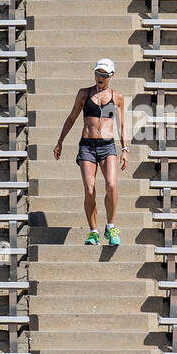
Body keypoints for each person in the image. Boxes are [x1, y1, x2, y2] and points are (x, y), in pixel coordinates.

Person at [52, 57, 129, 246]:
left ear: (111, 76)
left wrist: (125, 148)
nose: (99, 77)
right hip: (87, 145)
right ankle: (93, 231)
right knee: (89, 189)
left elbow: (121, 125)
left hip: (107, 145)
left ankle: (110, 227)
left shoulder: (116, 97)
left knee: (111, 185)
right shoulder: (84, 94)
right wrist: (60, 140)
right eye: (97, 73)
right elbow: (71, 118)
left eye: (103, 74)